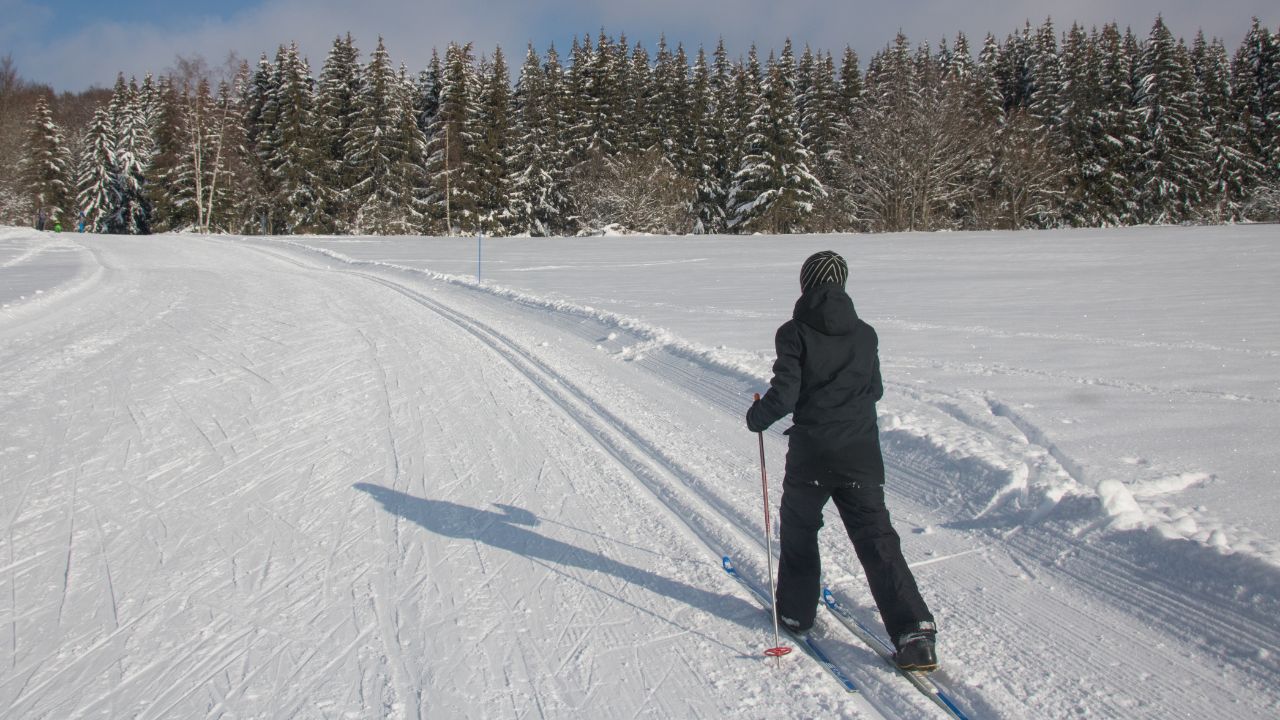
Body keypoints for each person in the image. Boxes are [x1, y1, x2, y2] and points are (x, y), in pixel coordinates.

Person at [746, 250, 939, 672]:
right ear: (843, 284)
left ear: (805, 284)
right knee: (877, 540)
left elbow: (785, 395)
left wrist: (757, 417)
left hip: (813, 455)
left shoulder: (793, 332)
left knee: (799, 531)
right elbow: (875, 390)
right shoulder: (865, 334)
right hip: (860, 456)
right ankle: (915, 633)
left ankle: (797, 613)